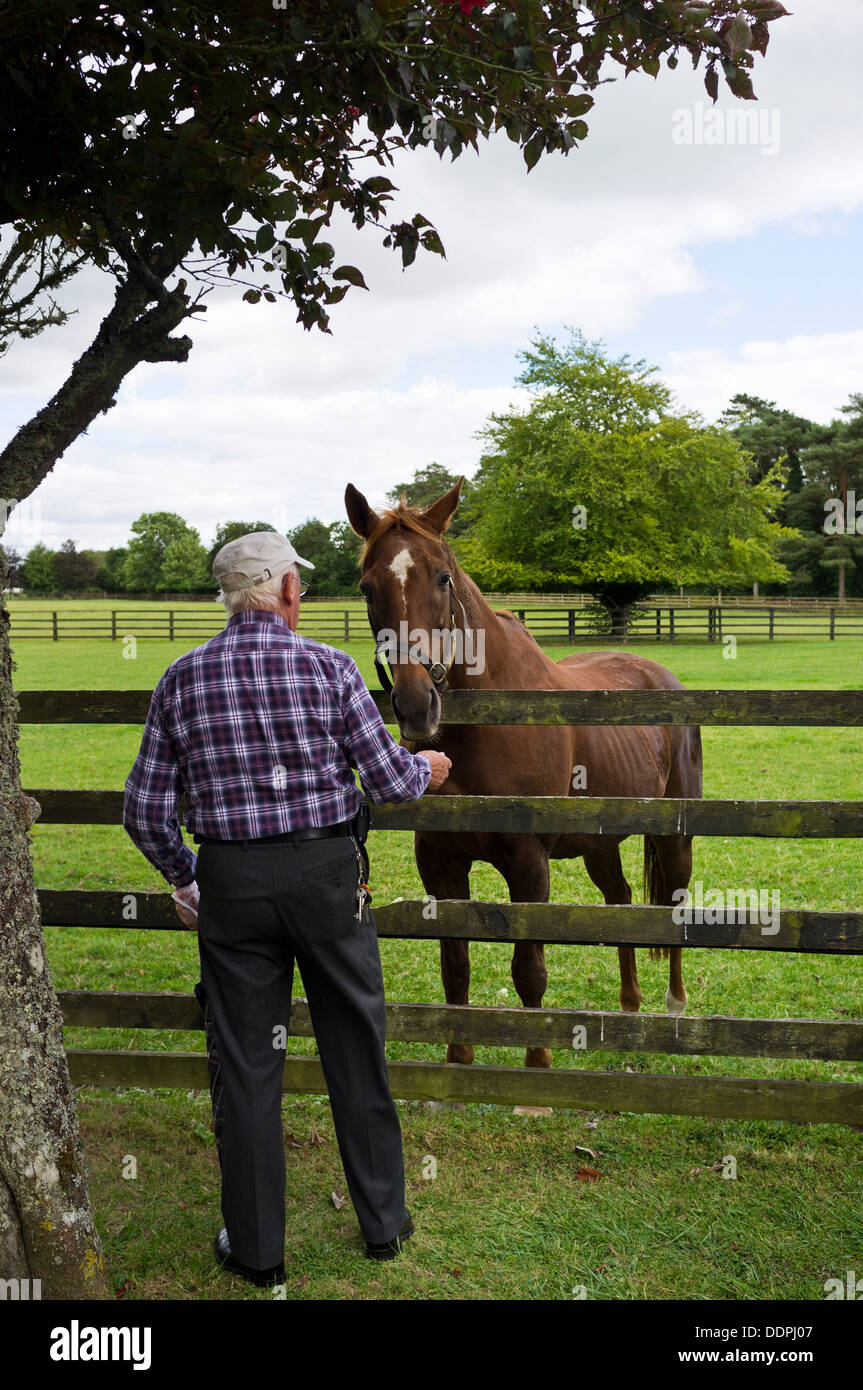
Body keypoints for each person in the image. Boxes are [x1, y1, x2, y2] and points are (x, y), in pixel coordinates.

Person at [122, 530, 451, 1287]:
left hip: (232, 883)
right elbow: (390, 782)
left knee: (244, 1065)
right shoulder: (330, 667)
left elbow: (143, 811)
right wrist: (426, 766)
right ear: (288, 591)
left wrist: (187, 879)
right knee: (353, 1046)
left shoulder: (182, 676)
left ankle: (258, 1251)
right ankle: (381, 1225)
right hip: (327, 876)